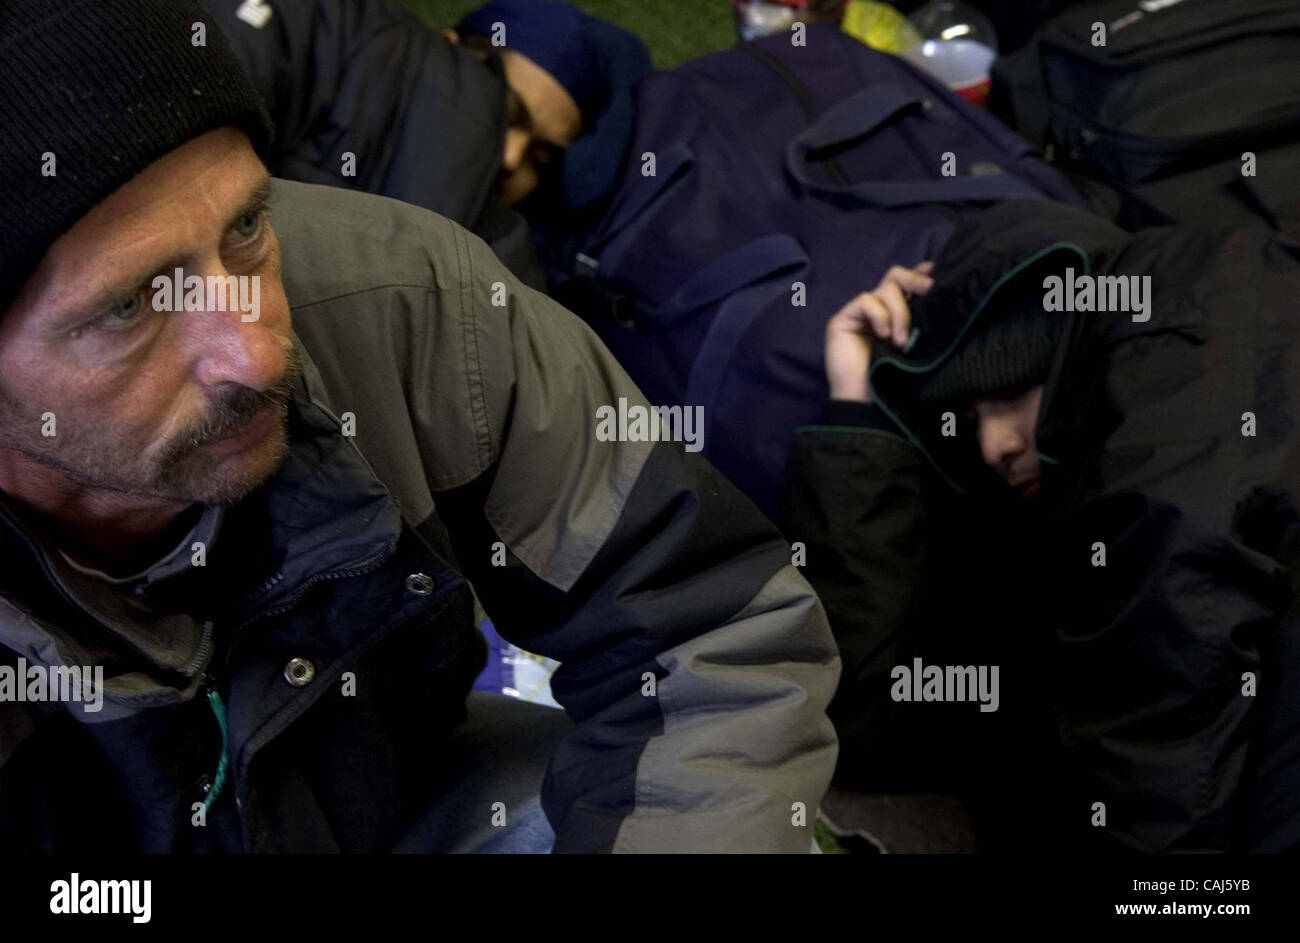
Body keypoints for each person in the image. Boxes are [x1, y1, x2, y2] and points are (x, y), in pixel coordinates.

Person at [0, 0, 839, 853]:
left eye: (247, 226)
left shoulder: (419, 308)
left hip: (390, 810)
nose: (256, 353)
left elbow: (709, 630)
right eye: (131, 303)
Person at [784, 197, 1300, 852]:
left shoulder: (1159, 447)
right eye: (968, 422)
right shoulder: (1067, 512)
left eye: (1004, 395)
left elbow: (1162, 812)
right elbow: (875, 708)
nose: (992, 446)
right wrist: (858, 408)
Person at [199, 0, 652, 289]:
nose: (511, 157)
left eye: (540, 157)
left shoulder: (503, 256)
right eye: (509, 112)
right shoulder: (338, 45)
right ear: (453, 46)